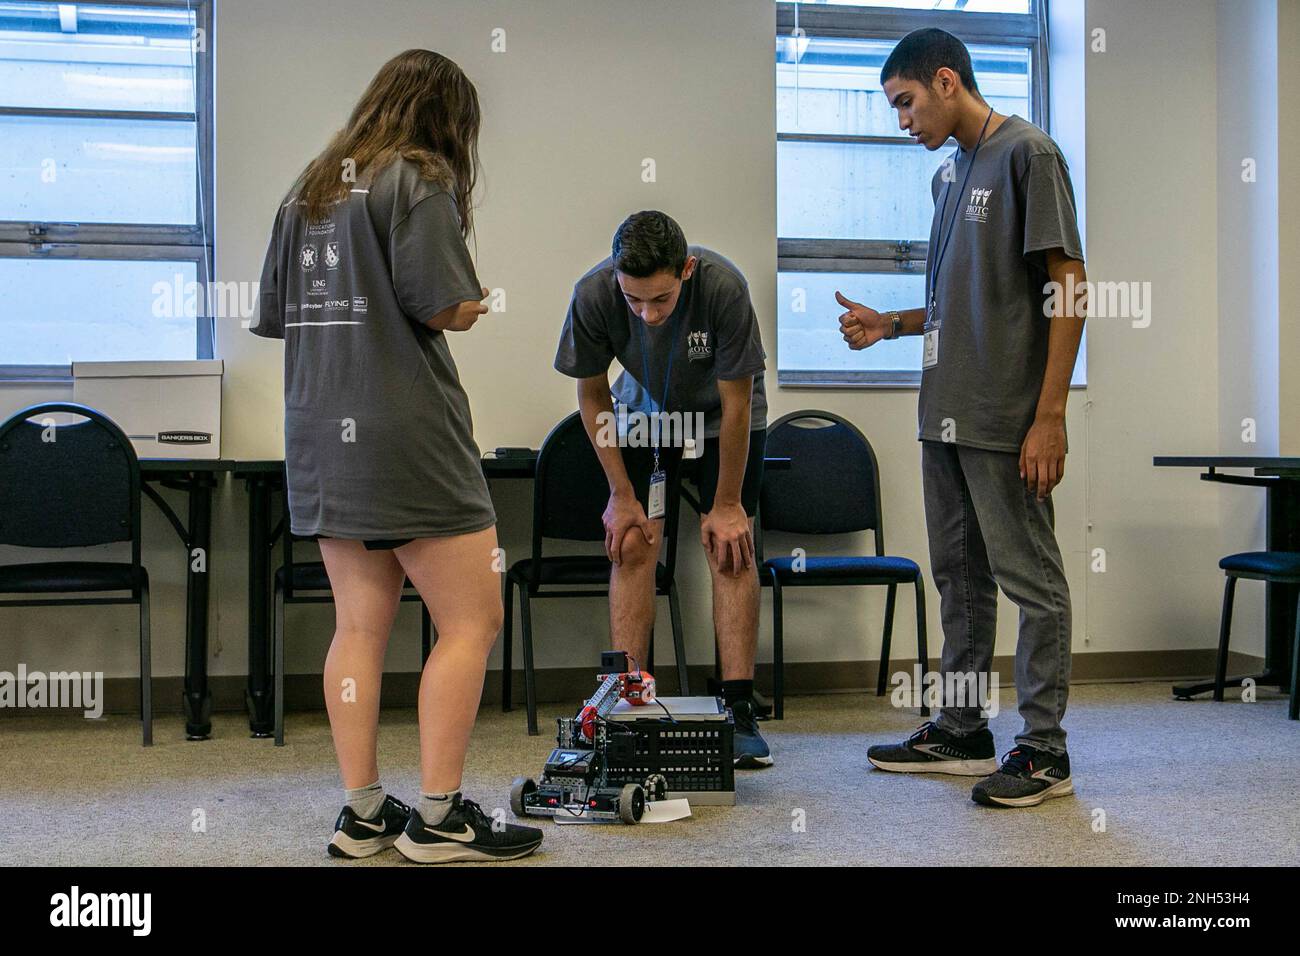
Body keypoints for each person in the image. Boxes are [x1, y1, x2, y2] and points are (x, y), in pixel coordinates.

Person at [251, 49, 543, 860]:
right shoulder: (419, 178)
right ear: (446, 120)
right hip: (404, 432)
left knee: (358, 626)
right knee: (472, 619)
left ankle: (362, 811)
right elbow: (446, 304)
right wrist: (474, 302)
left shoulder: (309, 188)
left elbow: (280, 315)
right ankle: (442, 815)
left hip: (318, 431)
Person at [837, 29, 1086, 808]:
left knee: (1030, 581)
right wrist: (895, 324)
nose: (902, 121)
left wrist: (1050, 415)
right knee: (960, 579)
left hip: (1006, 417)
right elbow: (968, 302)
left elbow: (1068, 283)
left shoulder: (1028, 155)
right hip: (942, 412)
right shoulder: (950, 176)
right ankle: (962, 725)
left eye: (907, 103)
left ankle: (1044, 749)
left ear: (947, 81)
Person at [554, 211, 774, 767]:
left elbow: (737, 403)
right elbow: (592, 396)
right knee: (632, 541)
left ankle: (738, 706)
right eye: (634, 302)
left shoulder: (723, 287)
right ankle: (628, 700)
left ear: (687, 271)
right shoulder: (594, 293)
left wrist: (727, 505)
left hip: (722, 417)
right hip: (645, 415)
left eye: (661, 300)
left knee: (731, 545)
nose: (647, 315)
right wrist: (620, 494)